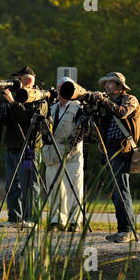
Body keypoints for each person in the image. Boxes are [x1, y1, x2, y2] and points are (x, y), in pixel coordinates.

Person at [92, 72, 140, 243]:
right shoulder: (109, 104)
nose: (105, 86)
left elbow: (123, 113)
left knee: (122, 190)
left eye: (109, 83)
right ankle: (122, 229)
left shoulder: (130, 99)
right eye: (105, 83)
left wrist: (104, 101)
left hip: (123, 149)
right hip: (110, 149)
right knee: (115, 192)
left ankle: (127, 230)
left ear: (119, 86)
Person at [0, 66, 48, 228]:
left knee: (29, 184)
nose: (15, 82)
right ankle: (14, 218)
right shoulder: (14, 97)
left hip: (29, 149)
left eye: (18, 79)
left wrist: (12, 102)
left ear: (28, 81)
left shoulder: (39, 98)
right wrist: (4, 104)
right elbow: (4, 121)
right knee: (11, 185)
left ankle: (31, 219)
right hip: (12, 147)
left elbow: (28, 119)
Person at [43, 77, 84, 232]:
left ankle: (75, 221)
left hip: (72, 152)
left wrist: (72, 148)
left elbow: (82, 130)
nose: (60, 91)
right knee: (54, 187)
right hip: (53, 152)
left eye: (64, 87)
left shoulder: (78, 107)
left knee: (74, 186)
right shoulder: (52, 108)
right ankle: (57, 220)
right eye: (59, 87)